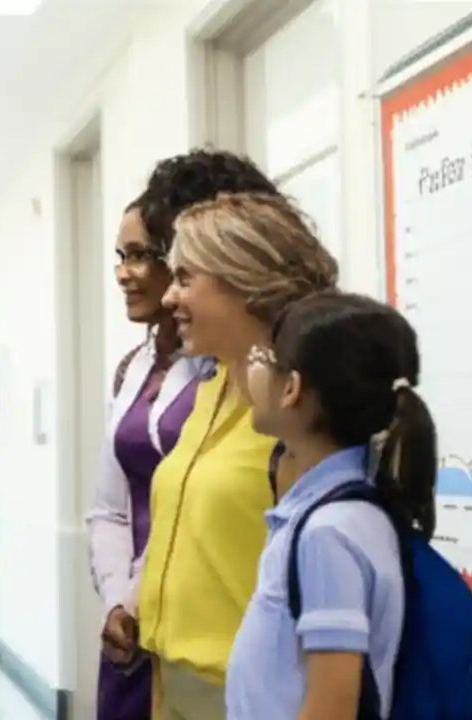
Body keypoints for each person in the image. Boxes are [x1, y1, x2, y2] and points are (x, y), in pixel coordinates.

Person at [86, 149, 281, 720]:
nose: (127, 272)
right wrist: (117, 600)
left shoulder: (254, 381)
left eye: (145, 256)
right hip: (142, 632)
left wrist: (135, 596)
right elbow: (110, 505)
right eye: (120, 256)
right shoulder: (136, 367)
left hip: (215, 650)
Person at [136, 190, 339, 720]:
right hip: (174, 684)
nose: (168, 298)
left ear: (243, 282)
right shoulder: (212, 389)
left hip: (253, 695)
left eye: (185, 278)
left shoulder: (302, 412)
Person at [224, 291, 431, 719]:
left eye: (267, 358)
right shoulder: (333, 513)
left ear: (291, 389)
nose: (253, 367)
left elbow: (331, 708)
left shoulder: (329, 532)